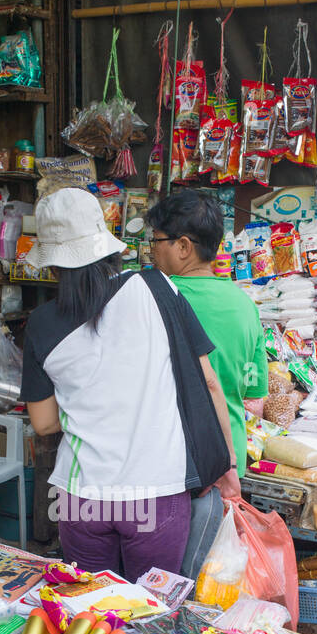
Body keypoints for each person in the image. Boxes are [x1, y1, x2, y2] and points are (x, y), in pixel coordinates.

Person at [20, 188, 239, 581]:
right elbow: (208, 383)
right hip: (156, 495)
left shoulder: (40, 324)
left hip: (83, 498)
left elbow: (44, 424)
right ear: (107, 248)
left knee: (92, 614)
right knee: (153, 615)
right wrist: (227, 465)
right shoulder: (156, 288)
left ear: (53, 264)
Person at [147, 190, 269, 577]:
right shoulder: (245, 305)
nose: (151, 251)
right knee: (209, 584)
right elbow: (255, 402)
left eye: (155, 241)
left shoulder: (151, 296)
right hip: (224, 470)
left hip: (161, 467)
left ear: (183, 247)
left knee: (153, 584)